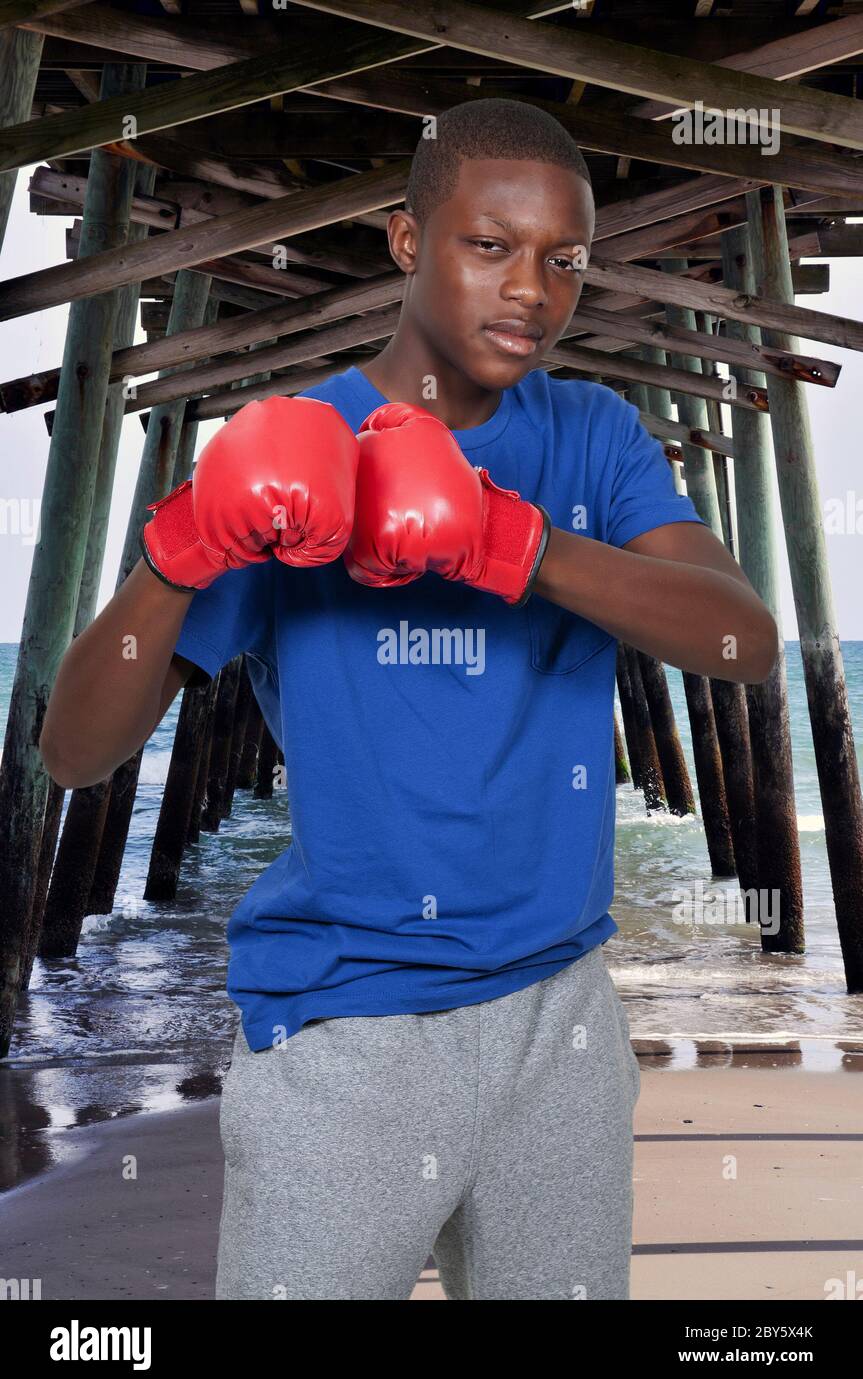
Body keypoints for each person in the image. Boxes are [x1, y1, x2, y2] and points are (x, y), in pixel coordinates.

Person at [40, 98, 778, 1300]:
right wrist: (177, 554)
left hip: (561, 1020)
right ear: (405, 239)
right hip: (347, 1032)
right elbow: (75, 751)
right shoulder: (291, 454)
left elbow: (740, 639)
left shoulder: (591, 437)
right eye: (489, 245)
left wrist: (513, 543)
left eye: (564, 259)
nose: (531, 289)